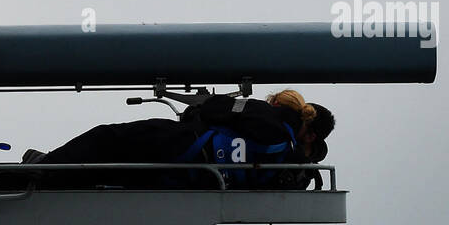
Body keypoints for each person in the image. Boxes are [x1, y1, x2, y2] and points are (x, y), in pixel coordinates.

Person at [19, 90, 308, 190]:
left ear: (278, 105)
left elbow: (213, 109)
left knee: (107, 137)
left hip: (182, 145)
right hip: (196, 176)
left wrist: (197, 110)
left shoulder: (265, 114)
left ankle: (45, 167)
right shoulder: (286, 156)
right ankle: (50, 173)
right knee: (113, 169)